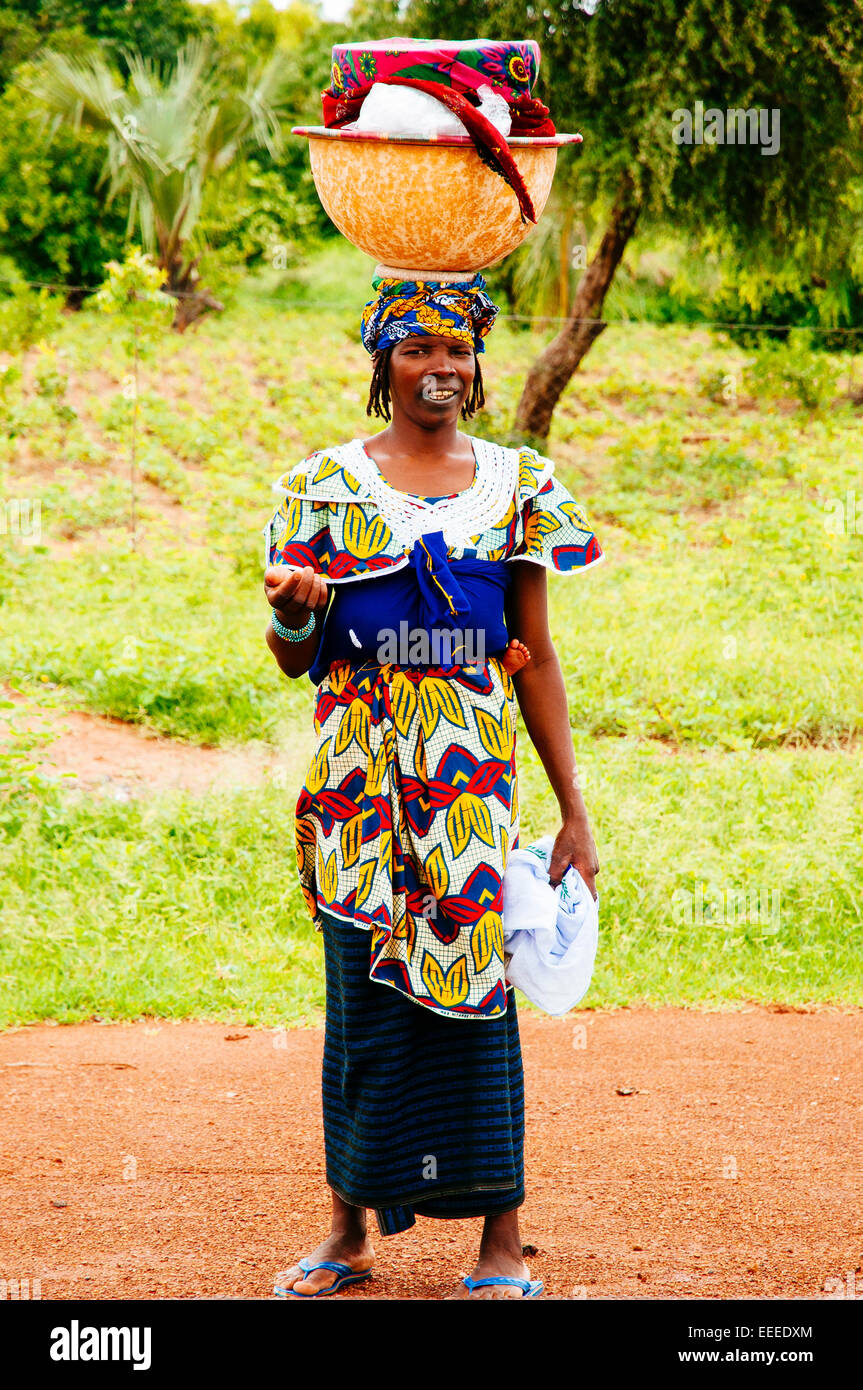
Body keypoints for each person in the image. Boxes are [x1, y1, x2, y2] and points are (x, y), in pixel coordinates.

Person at [262, 273, 603, 1300]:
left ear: (478, 361)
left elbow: (532, 656)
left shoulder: (519, 485)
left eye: (455, 350)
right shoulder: (319, 488)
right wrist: (294, 608)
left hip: (466, 787)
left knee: (475, 993)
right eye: (415, 350)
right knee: (358, 999)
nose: (438, 369)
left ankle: (500, 1244)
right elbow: (291, 656)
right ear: (380, 360)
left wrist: (572, 808)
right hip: (357, 790)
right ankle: (345, 1234)